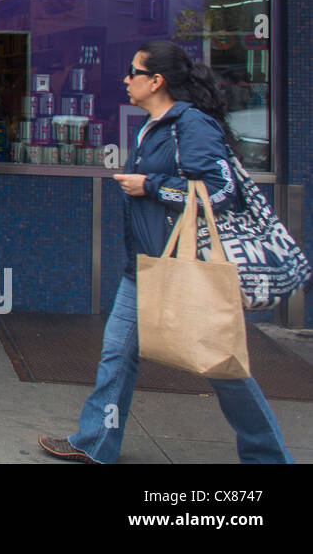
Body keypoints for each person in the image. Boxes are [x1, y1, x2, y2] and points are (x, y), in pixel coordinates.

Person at [39, 40, 292, 464]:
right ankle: (96, 441)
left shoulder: (191, 125)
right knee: (117, 354)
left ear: (156, 81)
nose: (125, 79)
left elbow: (221, 191)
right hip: (146, 263)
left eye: (133, 72)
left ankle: (269, 458)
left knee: (223, 365)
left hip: (182, 266)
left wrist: (150, 186)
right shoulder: (156, 124)